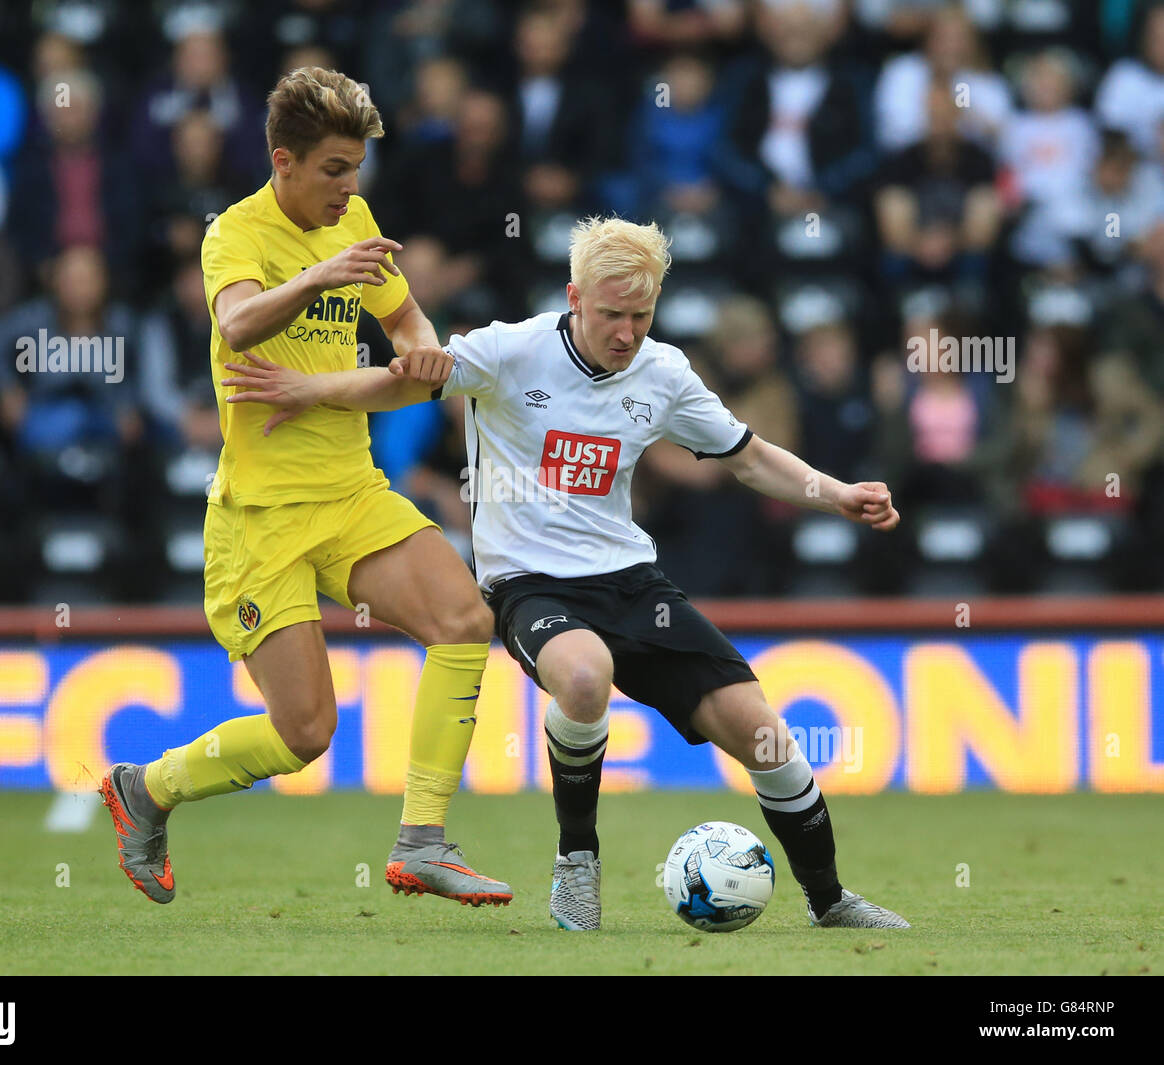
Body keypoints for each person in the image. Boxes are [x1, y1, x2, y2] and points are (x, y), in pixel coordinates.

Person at [221, 216, 911, 932]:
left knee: (762, 732)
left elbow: (747, 454)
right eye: (612, 314)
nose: (627, 331)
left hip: (634, 583)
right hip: (531, 585)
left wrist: (837, 494)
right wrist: (312, 390)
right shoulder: (511, 350)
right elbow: (404, 382)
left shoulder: (664, 372)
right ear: (575, 297)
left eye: (641, 315)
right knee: (583, 677)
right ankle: (576, 861)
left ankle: (831, 900)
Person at [99, 67, 511, 908]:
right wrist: (320, 279)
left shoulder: (352, 217)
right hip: (262, 517)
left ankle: (422, 841)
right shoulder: (234, 234)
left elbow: (403, 319)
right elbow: (237, 321)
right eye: (332, 169)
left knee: (466, 617)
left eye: (356, 168)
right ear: (282, 161)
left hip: (351, 490)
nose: (348, 187)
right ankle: (146, 789)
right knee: (306, 734)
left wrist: (424, 346)